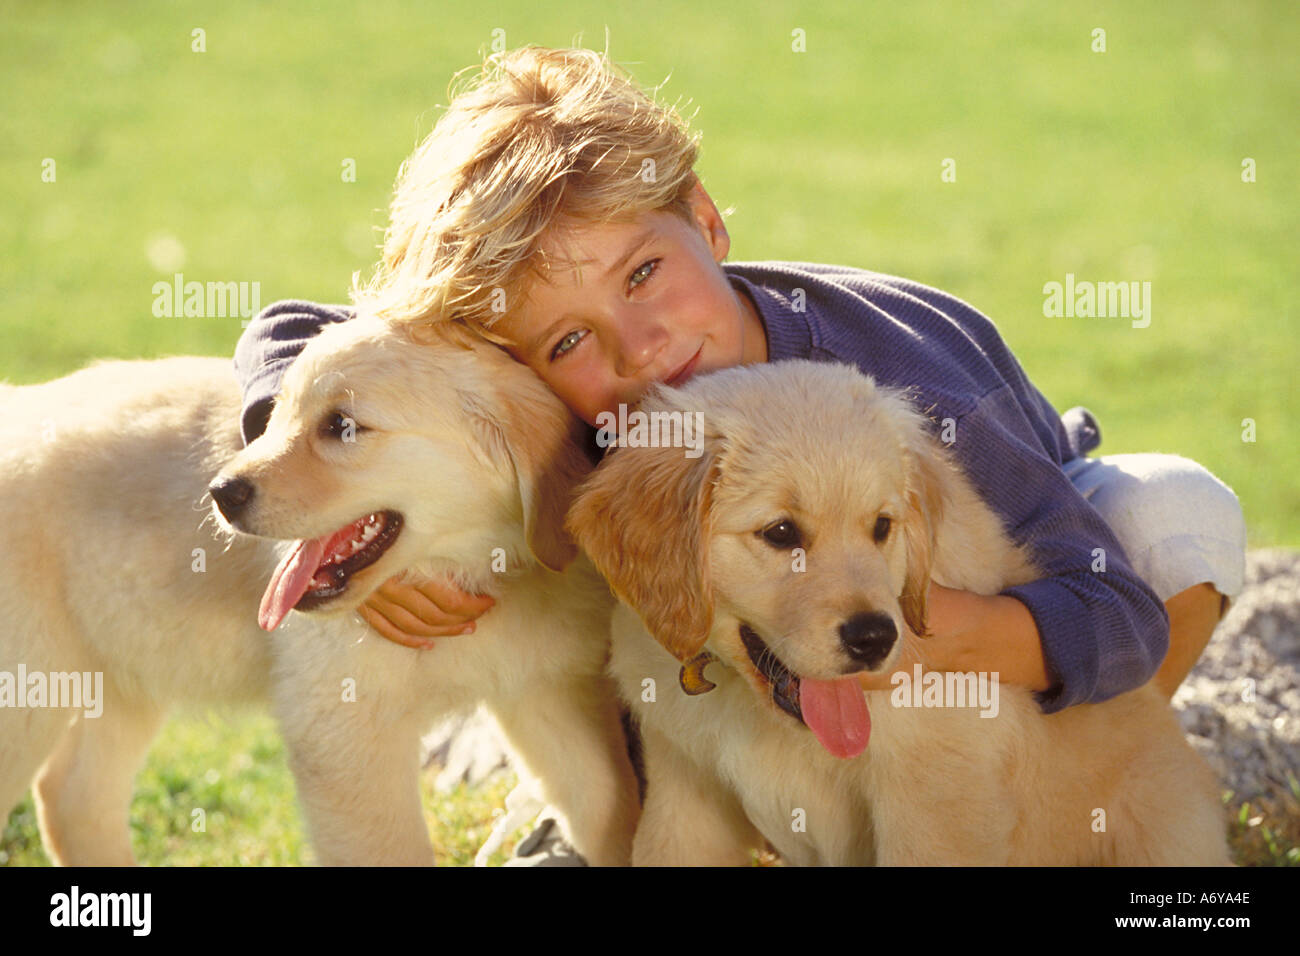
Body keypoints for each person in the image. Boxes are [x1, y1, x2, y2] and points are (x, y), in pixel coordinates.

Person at [235, 45, 1245, 714]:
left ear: (708, 222)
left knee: (1177, 509)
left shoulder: (913, 393)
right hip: (766, 630)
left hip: (974, 574)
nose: (634, 349)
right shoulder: (588, 401)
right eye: (568, 342)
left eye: (644, 274)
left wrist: (929, 637)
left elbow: (1115, 609)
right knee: (555, 556)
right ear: (516, 354)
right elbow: (297, 331)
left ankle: (1079, 795)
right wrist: (356, 538)